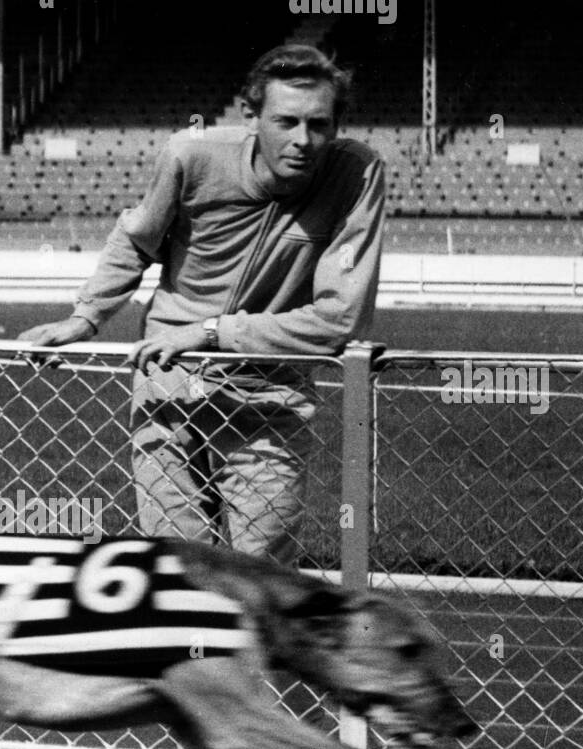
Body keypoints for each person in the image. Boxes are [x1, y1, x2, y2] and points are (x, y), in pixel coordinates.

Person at [19, 45, 385, 562]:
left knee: (262, 574)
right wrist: (86, 316)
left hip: (269, 390)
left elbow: (340, 319)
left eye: (318, 124)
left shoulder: (356, 174)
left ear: (337, 125)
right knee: (179, 563)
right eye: (285, 121)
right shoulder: (191, 156)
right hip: (171, 378)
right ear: (250, 116)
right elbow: (138, 238)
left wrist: (214, 331)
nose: (303, 141)